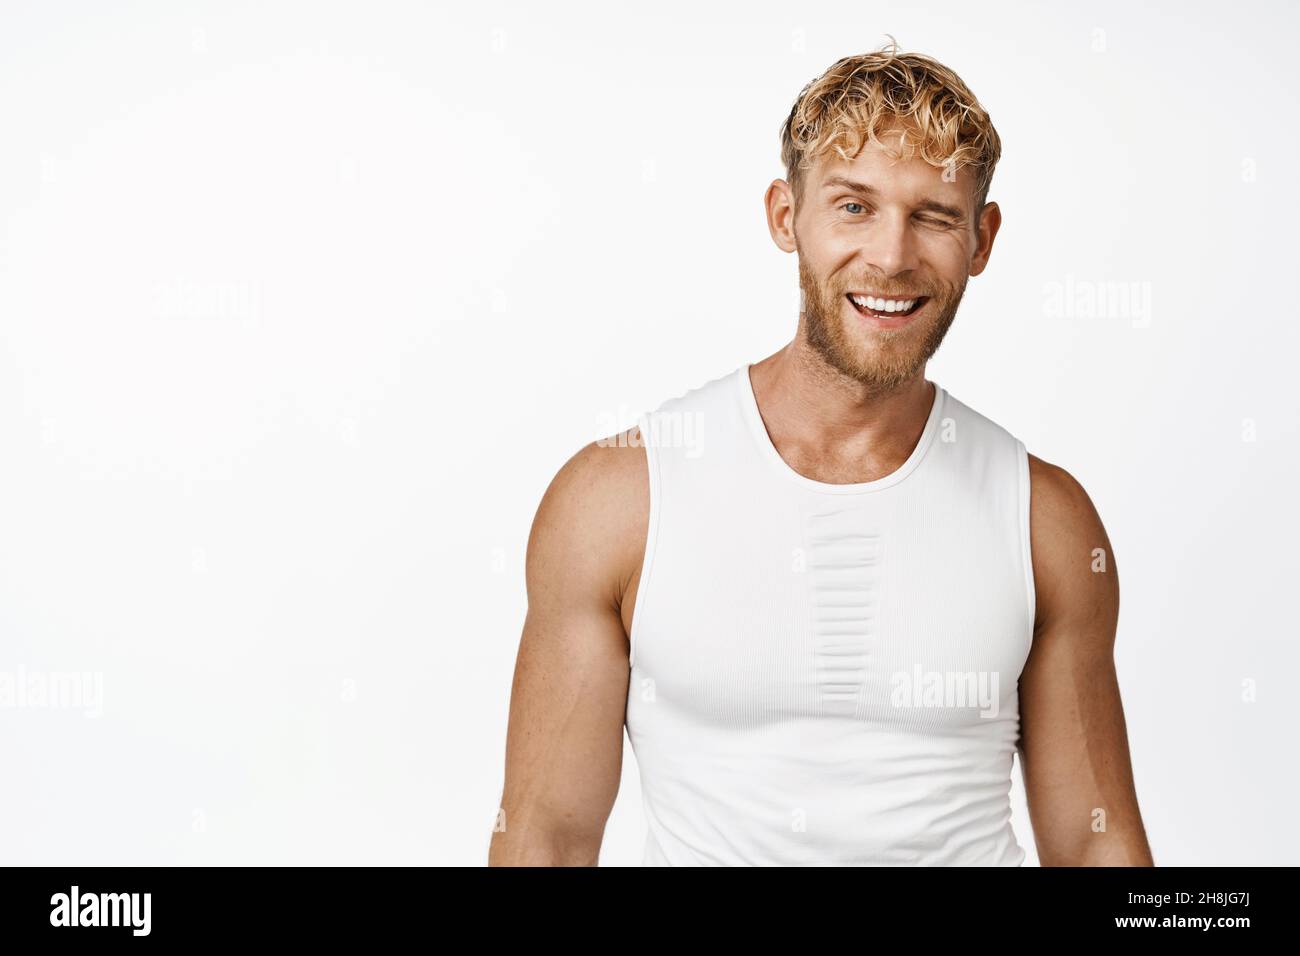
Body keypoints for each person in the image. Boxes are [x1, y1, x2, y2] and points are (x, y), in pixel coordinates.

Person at [490, 42, 1153, 866]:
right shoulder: (619, 497)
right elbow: (545, 839)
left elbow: (1098, 849)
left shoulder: (1045, 520)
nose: (892, 256)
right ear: (784, 216)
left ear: (982, 240)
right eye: (853, 207)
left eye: (934, 216)